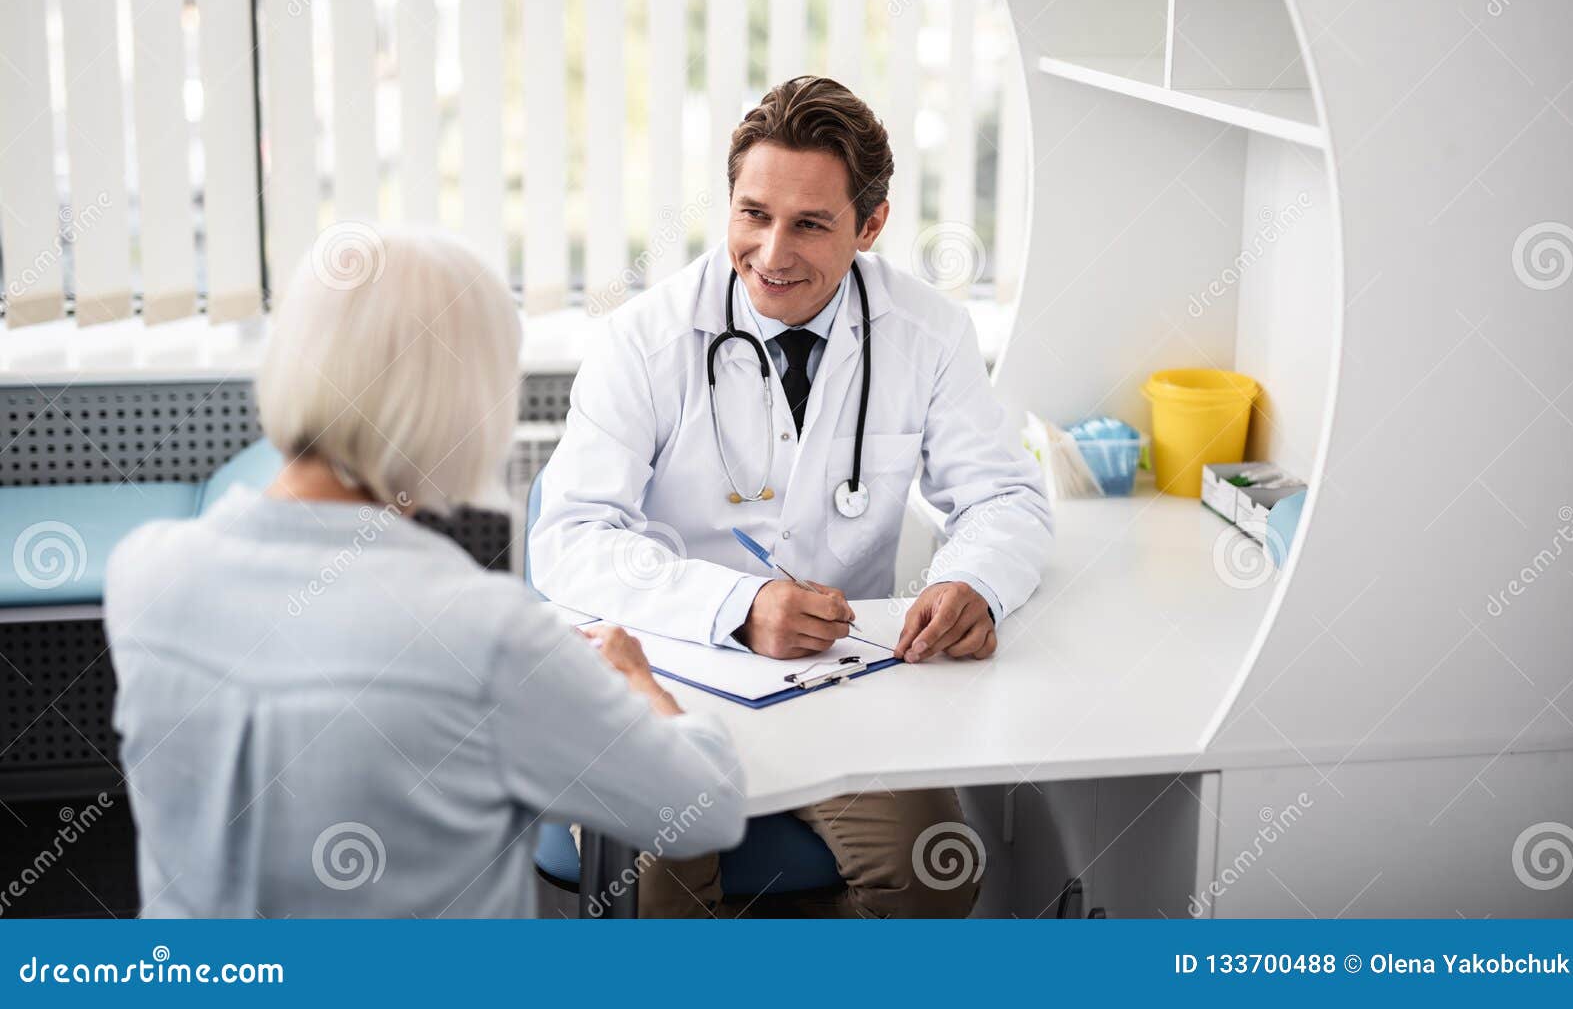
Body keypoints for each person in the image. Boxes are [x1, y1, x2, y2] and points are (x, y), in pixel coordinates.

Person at [529, 76, 1053, 917]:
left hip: (837, 685)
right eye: (753, 214)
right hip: (666, 669)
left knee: (932, 870)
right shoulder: (644, 339)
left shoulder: (928, 333)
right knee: (662, 884)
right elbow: (571, 539)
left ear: (870, 225)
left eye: (810, 224)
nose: (772, 254)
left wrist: (976, 584)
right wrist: (741, 605)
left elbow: (1003, 499)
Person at [104, 231, 744, 917]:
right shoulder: (483, 631)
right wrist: (641, 684)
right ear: (462, 404)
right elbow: (705, 812)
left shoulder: (146, 571)